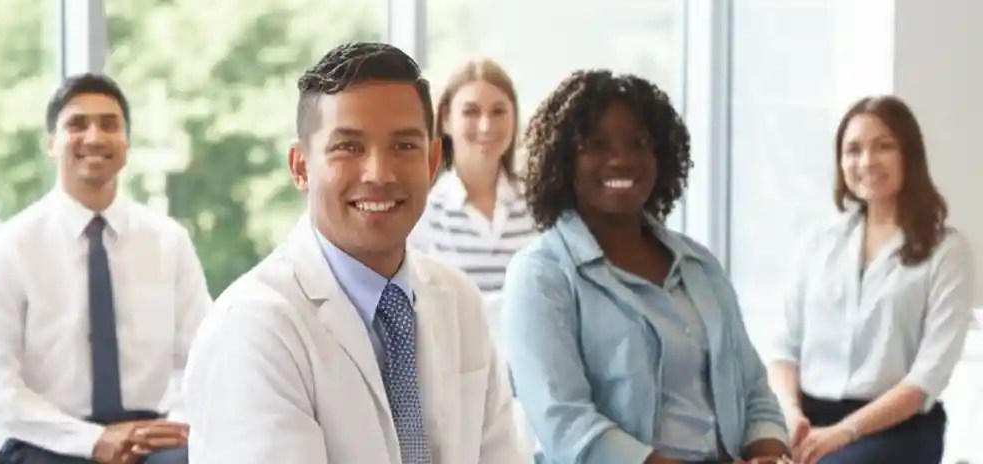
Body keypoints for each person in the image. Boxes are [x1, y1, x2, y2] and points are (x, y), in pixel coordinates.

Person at [182, 42, 528, 464]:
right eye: (348, 147)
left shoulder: (460, 301)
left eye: (404, 147)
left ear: (434, 160)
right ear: (300, 167)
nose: (379, 173)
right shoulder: (253, 328)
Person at [503, 70, 790, 464]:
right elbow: (567, 426)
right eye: (596, 145)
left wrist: (769, 453)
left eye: (639, 143)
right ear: (563, 160)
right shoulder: (540, 276)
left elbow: (754, 389)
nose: (621, 159)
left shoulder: (699, 265)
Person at [0, 73, 211, 464]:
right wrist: (91, 441)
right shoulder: (9, 249)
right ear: (51, 143)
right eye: (77, 125)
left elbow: (203, 360)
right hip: (49, 440)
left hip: (154, 437)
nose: (94, 137)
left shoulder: (169, 242)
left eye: (109, 125)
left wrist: (174, 424)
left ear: (126, 143)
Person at [767, 95, 975, 464]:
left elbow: (926, 378)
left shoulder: (947, 251)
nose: (866, 161)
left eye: (884, 146)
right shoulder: (818, 242)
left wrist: (844, 432)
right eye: (853, 150)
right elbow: (784, 351)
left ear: (909, 155)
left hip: (896, 429)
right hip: (808, 419)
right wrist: (790, 415)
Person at [411, 58, 537, 333]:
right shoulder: (421, 213)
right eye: (470, 112)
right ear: (445, 119)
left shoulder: (539, 207)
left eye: (498, 111)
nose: (485, 126)